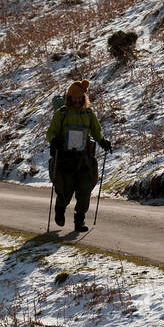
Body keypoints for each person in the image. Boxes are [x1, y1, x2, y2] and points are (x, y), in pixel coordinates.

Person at [46, 79, 112, 233]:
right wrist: (53, 140)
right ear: (68, 98)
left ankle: (79, 221)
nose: (76, 100)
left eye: (79, 98)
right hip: (65, 159)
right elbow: (50, 132)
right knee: (65, 189)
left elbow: (96, 131)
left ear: (83, 98)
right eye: (73, 98)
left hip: (84, 159)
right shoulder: (61, 114)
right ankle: (60, 210)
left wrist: (103, 142)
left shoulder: (89, 113)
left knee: (85, 189)